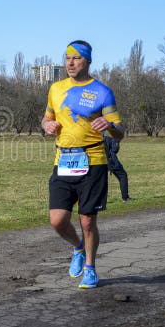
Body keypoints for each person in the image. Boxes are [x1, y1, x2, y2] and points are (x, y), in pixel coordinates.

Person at [41, 40, 124, 289]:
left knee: (87, 221)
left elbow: (120, 132)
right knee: (57, 220)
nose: (70, 62)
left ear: (87, 61)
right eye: (67, 58)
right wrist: (47, 125)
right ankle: (77, 247)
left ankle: (90, 268)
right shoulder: (56, 89)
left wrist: (110, 126)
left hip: (93, 162)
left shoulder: (102, 92)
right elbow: (46, 118)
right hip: (63, 160)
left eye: (76, 58)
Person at [104, 135, 133, 202]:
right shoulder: (110, 137)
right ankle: (125, 197)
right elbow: (115, 149)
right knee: (123, 176)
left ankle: (99, 201)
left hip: (98, 161)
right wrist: (117, 141)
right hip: (111, 161)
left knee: (101, 181)